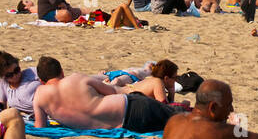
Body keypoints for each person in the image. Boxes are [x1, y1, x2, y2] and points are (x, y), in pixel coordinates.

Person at [32, 56, 179, 134]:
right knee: (182, 116)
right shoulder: (76, 78)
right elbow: (114, 91)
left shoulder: (39, 96)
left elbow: (40, 127)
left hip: (128, 125)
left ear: (41, 80)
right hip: (132, 107)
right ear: (62, 72)